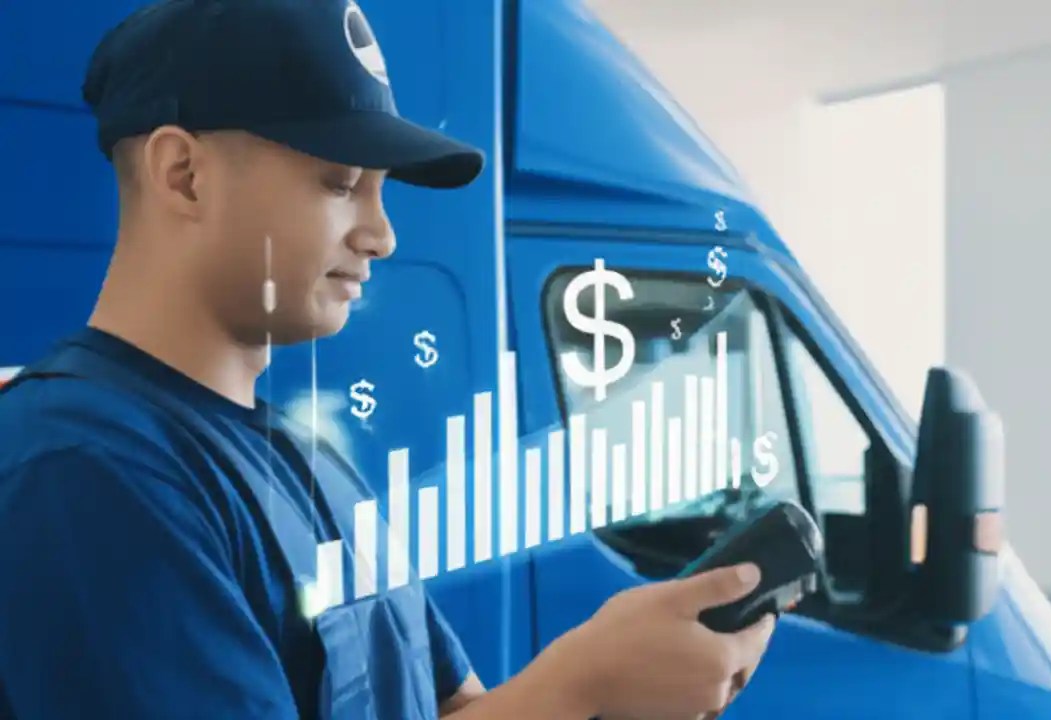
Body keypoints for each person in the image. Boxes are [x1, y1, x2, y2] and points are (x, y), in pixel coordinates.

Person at [0, 1, 777, 718]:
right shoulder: (85, 470)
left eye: (380, 190)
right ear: (184, 174)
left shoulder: (308, 462)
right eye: (341, 183)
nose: (382, 234)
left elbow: (449, 710)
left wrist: (607, 688)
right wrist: (581, 680)